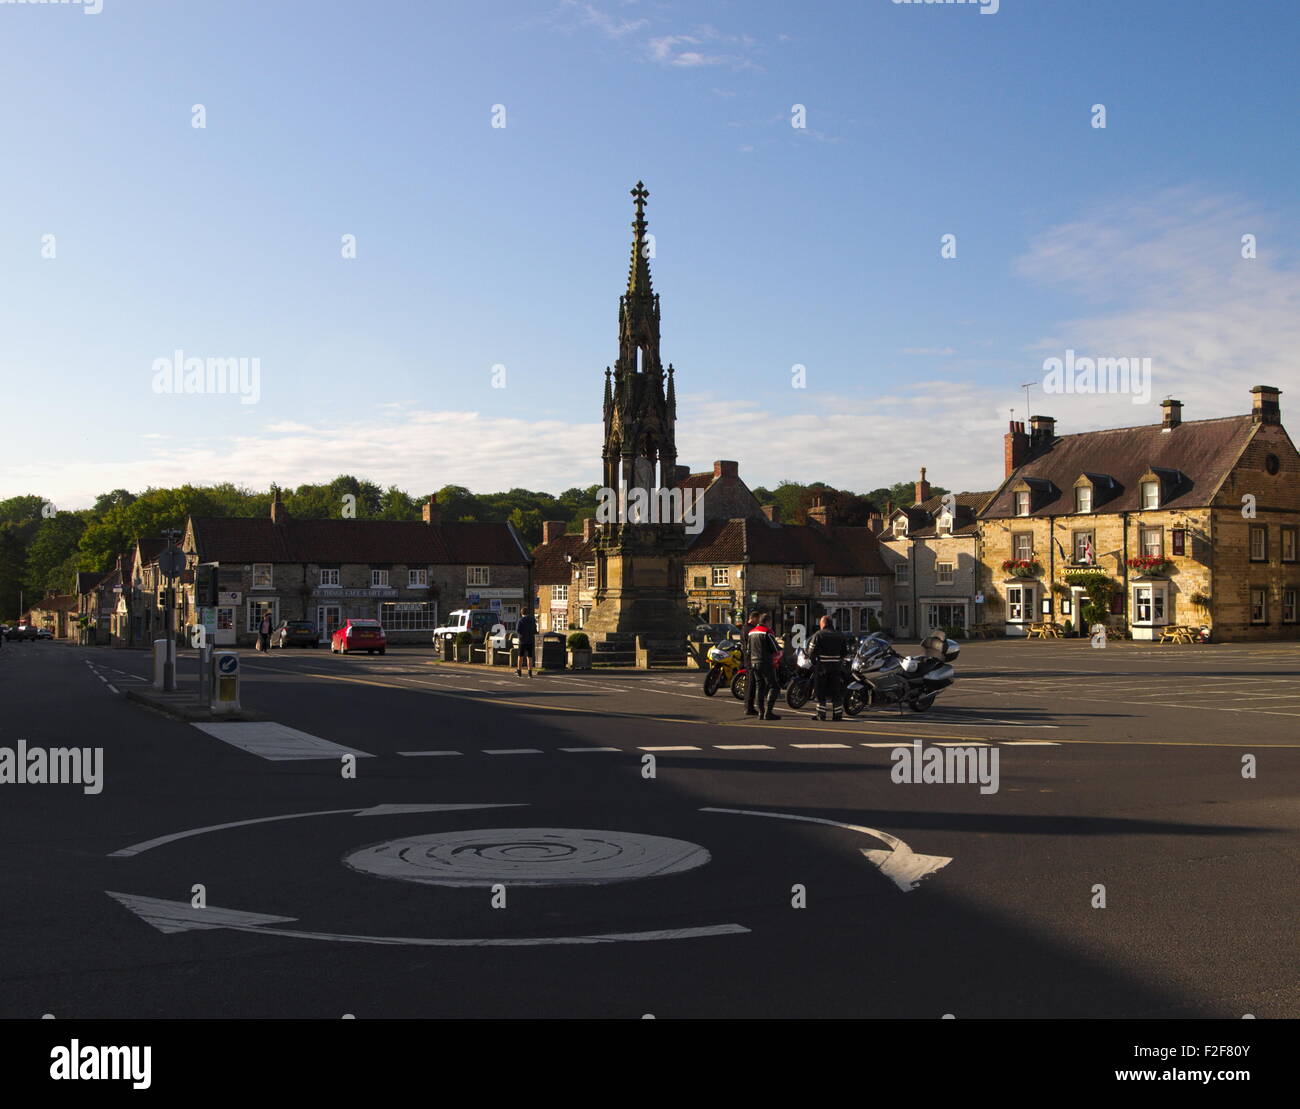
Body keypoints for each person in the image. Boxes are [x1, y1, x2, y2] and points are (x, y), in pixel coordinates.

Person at [807, 614, 849, 721]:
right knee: (836, 692)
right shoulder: (840, 635)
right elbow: (845, 652)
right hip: (836, 667)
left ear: (823, 623)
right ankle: (838, 715)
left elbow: (810, 652)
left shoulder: (818, 635)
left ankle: (821, 714)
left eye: (820, 623)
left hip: (822, 668)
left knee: (820, 692)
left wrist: (815, 663)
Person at [746, 611, 781, 720]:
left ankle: (761, 712)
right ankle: (768, 712)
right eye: (770, 622)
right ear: (767, 622)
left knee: (759, 687)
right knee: (774, 686)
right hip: (765, 662)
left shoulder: (751, 632)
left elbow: (748, 649)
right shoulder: (767, 632)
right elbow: (775, 649)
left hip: (754, 662)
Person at [740, 610, 760, 715]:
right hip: (751, 658)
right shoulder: (751, 630)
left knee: (749, 683)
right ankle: (749, 707)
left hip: (747, 658)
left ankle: (748, 706)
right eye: (757, 619)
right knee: (751, 684)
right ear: (753, 618)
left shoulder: (744, 628)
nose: (758, 622)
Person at [515, 607, 537, 677]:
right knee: (529, 657)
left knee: (520, 656)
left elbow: (518, 630)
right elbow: (535, 630)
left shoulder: (521, 620)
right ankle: (530, 673)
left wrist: (522, 635)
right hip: (530, 640)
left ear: (521, 613)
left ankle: (519, 671)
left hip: (522, 641)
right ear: (528, 613)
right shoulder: (532, 620)